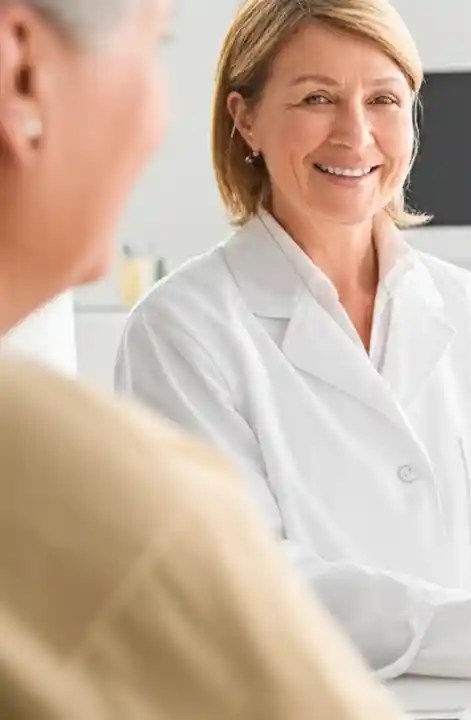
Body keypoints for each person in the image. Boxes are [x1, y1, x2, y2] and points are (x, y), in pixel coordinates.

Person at [115, 0, 471, 681]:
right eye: (317, 98)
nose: (355, 136)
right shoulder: (181, 328)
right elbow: (237, 580)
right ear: (246, 119)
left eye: (384, 99)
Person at [0, 0, 405, 716]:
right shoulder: (56, 459)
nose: (158, 121)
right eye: (155, 45)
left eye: (384, 99)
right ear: (22, 73)